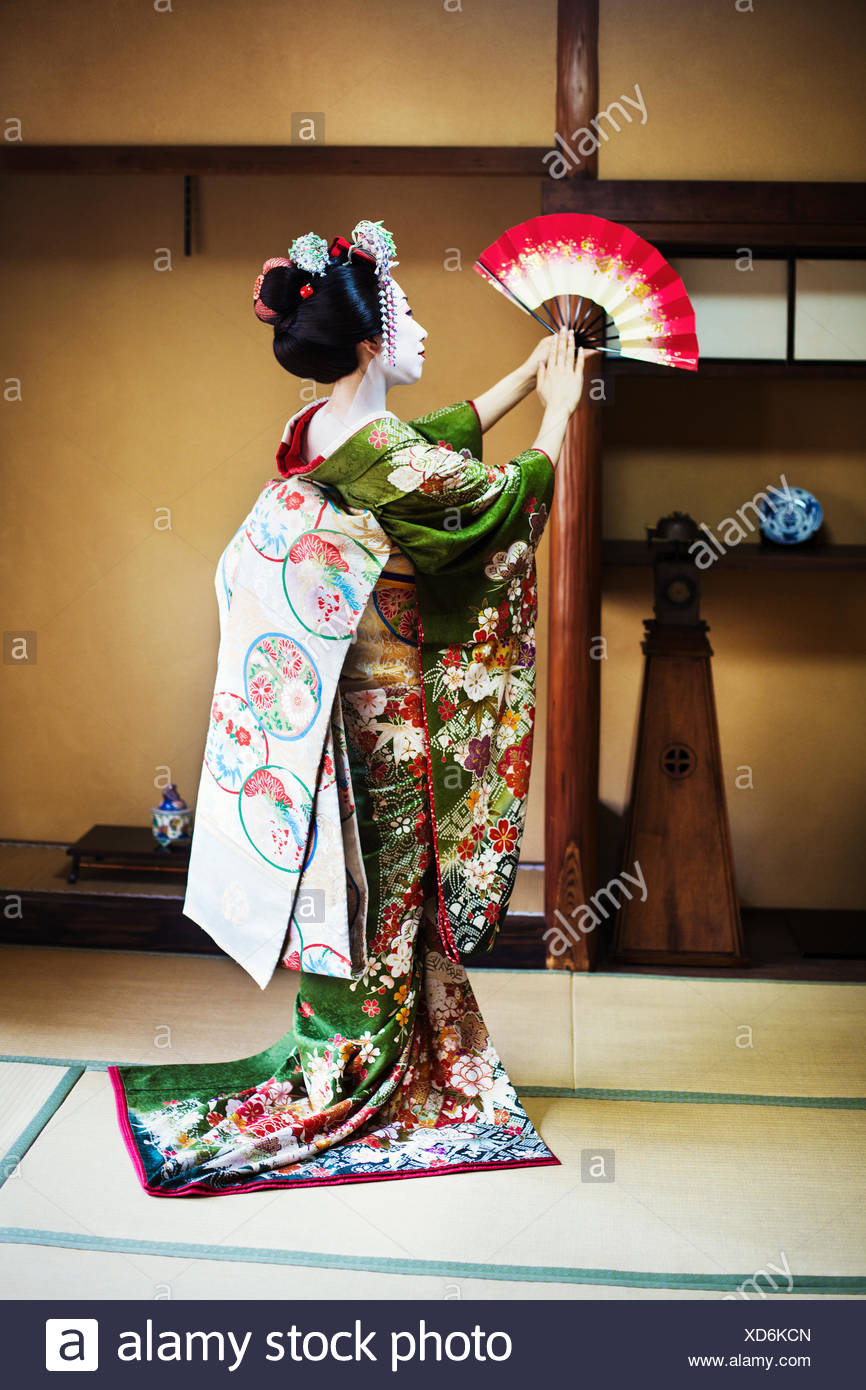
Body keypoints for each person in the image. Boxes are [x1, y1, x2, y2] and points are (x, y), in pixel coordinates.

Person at [108, 221, 592, 1196]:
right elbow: (481, 505)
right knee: (381, 892)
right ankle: (362, 1068)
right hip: (380, 709)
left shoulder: (334, 429)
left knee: (369, 890)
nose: (416, 326)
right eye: (402, 311)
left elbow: (430, 443)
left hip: (354, 692)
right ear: (370, 342)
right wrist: (560, 416)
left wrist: (522, 376)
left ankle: (376, 1050)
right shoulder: (367, 441)